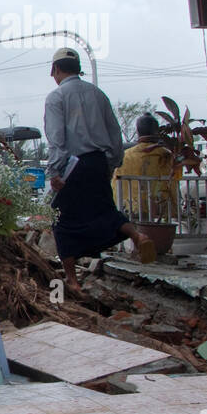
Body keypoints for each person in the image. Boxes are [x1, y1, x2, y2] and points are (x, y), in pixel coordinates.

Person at [44, 48, 155, 291]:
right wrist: (111, 164)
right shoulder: (98, 94)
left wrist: (54, 173)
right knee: (104, 211)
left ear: (55, 70)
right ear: (78, 68)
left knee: (61, 220)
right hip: (98, 162)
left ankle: (72, 281)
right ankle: (139, 236)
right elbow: (115, 135)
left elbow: (57, 140)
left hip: (72, 166)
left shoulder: (56, 97)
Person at [112, 113, 181, 222]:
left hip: (129, 209)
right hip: (161, 209)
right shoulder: (168, 156)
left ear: (138, 132)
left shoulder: (124, 156)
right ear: (157, 132)